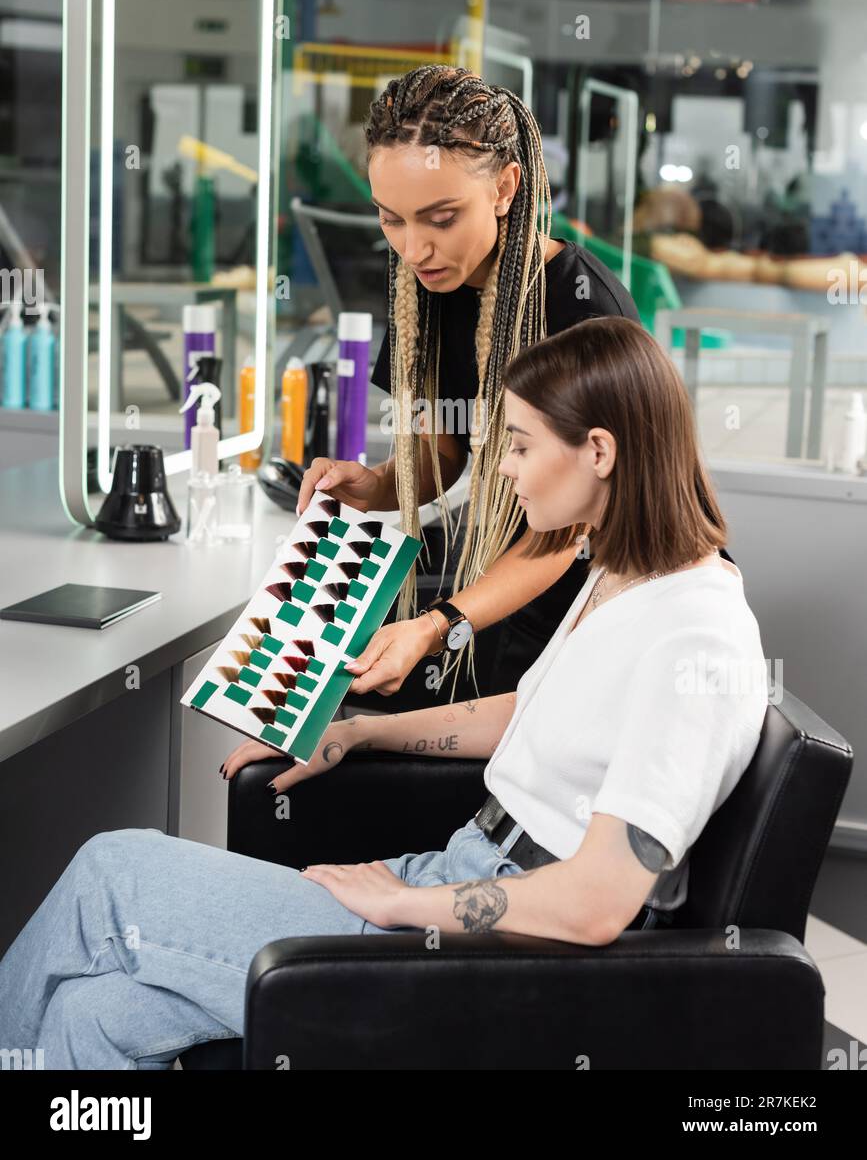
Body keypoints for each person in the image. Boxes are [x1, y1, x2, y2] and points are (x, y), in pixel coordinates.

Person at [0, 316, 768, 1070]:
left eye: (521, 447)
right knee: (88, 1014)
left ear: (597, 451)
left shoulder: (694, 639)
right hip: (459, 878)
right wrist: (358, 731)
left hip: (491, 962)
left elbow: (594, 903)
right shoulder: (622, 575)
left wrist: (403, 906)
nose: (500, 469)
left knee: (112, 870)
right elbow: (530, 712)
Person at [295, 62, 644, 703]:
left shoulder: (583, 312)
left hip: (602, 601)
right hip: (497, 590)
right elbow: (445, 453)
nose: (413, 248)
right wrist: (374, 485)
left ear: (507, 188)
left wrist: (437, 624)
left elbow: (565, 536)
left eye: (440, 218)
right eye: (391, 220)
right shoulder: (428, 286)